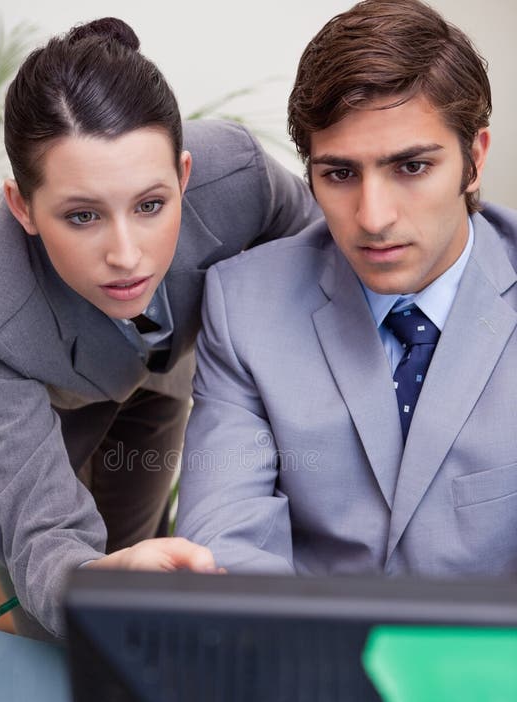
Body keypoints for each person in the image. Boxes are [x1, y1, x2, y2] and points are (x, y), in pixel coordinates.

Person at [0, 18, 319, 637]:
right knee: (63, 600)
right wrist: (90, 584)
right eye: (82, 215)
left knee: (139, 540)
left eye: (150, 205)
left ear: (185, 177)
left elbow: (318, 253)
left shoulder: (236, 176)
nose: (127, 254)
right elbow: (41, 534)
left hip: (166, 377)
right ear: (22, 206)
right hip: (56, 407)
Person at [176, 0, 517, 583]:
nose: (373, 216)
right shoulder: (244, 306)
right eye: (339, 174)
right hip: (301, 657)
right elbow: (223, 543)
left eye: (411, 167)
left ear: (474, 158)